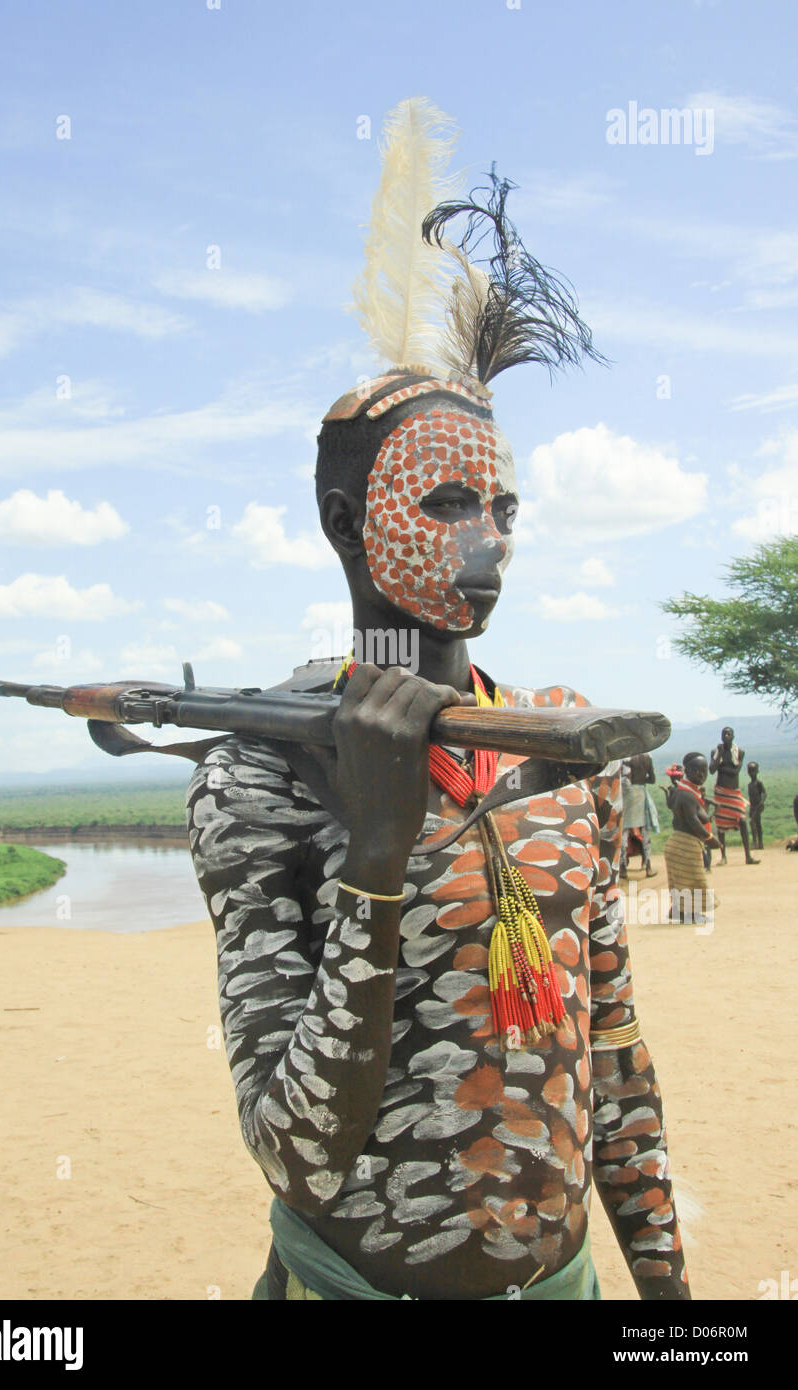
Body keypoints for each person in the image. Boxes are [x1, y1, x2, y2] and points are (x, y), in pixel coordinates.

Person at [187, 98, 688, 1302]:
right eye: (446, 504)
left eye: (503, 508)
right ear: (344, 522)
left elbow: (609, 1056)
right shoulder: (260, 775)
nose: (488, 541)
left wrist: (669, 1296)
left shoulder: (560, 753)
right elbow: (297, 1151)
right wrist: (374, 850)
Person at [662, 754, 719, 924]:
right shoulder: (686, 795)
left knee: (681, 881)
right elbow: (693, 821)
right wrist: (710, 838)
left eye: (704, 771)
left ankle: (678, 910)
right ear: (687, 771)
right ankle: (690, 914)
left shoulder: (689, 793)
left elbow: (701, 816)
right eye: (696, 771)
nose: (701, 775)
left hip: (681, 843)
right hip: (684, 844)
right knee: (692, 879)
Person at [710, 727, 759, 866]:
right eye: (724, 734)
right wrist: (719, 754)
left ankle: (748, 856)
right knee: (720, 825)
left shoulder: (739, 752)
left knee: (742, 820)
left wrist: (722, 768)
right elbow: (712, 770)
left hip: (734, 792)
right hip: (720, 792)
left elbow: (735, 771)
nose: (726, 736)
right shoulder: (716, 751)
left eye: (728, 734)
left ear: (733, 736)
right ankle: (723, 856)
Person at [619, 752, 657, 878]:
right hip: (641, 793)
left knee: (624, 831)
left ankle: (623, 868)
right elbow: (652, 779)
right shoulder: (648, 757)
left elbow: (626, 781)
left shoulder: (627, 757)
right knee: (644, 831)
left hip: (629, 796)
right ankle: (648, 867)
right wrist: (640, 781)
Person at [746, 761, 766, 851]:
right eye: (750, 771)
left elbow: (764, 793)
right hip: (753, 807)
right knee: (757, 824)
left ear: (757, 771)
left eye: (753, 771)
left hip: (758, 806)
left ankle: (755, 843)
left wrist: (762, 801)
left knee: (752, 823)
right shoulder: (750, 785)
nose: (751, 773)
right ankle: (760, 844)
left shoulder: (758, 783)